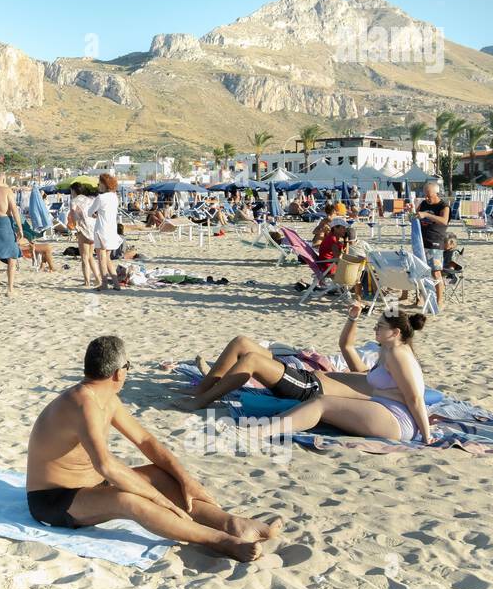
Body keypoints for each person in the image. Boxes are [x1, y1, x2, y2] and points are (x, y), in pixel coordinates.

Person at [26, 336, 280, 562]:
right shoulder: (83, 404)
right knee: (128, 500)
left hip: (91, 486)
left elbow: (145, 441)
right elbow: (105, 465)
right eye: (128, 366)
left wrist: (186, 480)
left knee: (160, 476)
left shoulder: (105, 398)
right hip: (54, 500)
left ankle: (232, 523)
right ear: (118, 373)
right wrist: (156, 499)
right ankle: (222, 541)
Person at [182, 304, 435, 444]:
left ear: (396, 332)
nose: (375, 330)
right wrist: (352, 318)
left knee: (251, 360)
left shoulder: (398, 359)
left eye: (380, 327)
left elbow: (415, 397)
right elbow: (346, 346)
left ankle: (202, 402)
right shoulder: (379, 368)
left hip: (310, 387)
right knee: (242, 342)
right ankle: (201, 390)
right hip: (306, 376)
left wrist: (426, 433)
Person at [85, 173, 124, 291]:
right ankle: (116, 284)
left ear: (104, 184)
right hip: (112, 229)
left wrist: (95, 214)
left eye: (99, 183)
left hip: (101, 229)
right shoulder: (114, 197)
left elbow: (89, 212)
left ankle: (104, 283)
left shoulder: (100, 198)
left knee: (101, 257)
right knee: (107, 258)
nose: (98, 186)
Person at [415, 181, 450, 304]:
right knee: (420, 271)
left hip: (435, 242)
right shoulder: (423, 203)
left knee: (436, 272)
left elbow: (444, 221)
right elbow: (415, 217)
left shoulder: (443, 206)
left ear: (436, 193)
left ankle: (439, 301)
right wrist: (412, 212)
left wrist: (426, 215)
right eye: (425, 195)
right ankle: (421, 298)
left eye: (429, 195)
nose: (426, 198)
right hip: (421, 241)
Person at [68, 182, 103, 288]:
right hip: (93, 228)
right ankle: (98, 279)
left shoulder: (74, 201)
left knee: (84, 257)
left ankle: (87, 281)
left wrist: (75, 225)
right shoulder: (90, 199)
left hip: (83, 228)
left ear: (74, 191)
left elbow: (73, 213)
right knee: (91, 257)